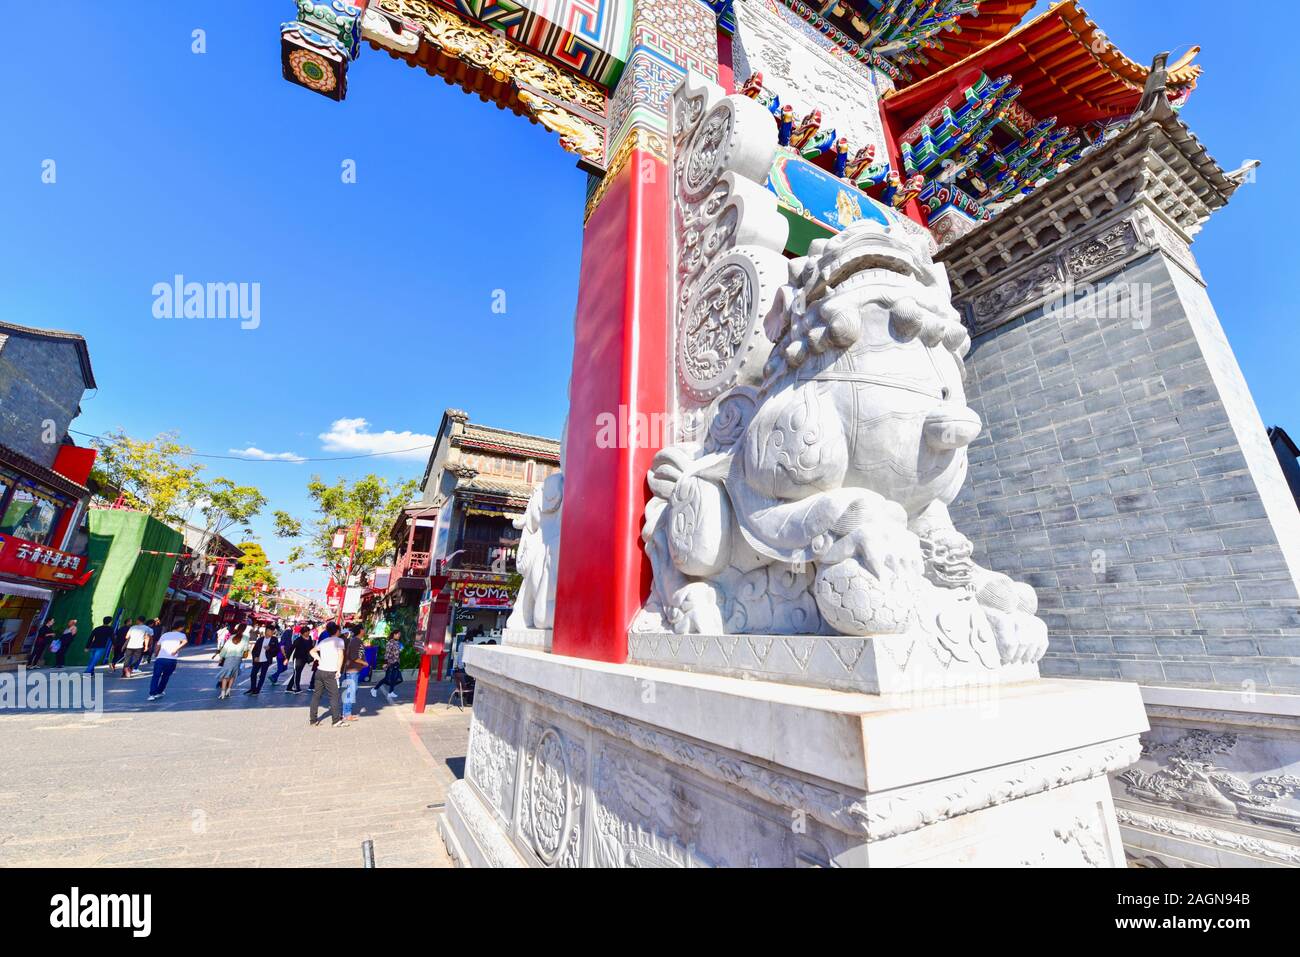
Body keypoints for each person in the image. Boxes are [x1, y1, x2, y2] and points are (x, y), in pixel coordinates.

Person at [309, 622, 346, 727]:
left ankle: (313, 720)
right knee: (334, 696)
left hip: (320, 671)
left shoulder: (324, 641)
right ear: (337, 631)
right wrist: (338, 670)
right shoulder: (339, 641)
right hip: (330, 672)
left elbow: (312, 651)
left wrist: (319, 659)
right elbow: (341, 656)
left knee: (316, 696)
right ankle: (336, 720)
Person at [148, 622, 189, 701]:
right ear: (180, 627)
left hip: (160, 658)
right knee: (165, 676)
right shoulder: (181, 635)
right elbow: (185, 641)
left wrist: (156, 654)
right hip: (171, 659)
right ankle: (159, 692)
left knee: (155, 676)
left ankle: (152, 694)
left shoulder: (165, 635)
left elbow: (158, 645)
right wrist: (176, 649)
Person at [339, 627, 368, 722]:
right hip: (352, 670)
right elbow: (354, 657)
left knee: (351, 691)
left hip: (354, 670)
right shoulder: (355, 641)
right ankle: (347, 714)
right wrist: (364, 663)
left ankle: (346, 713)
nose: (364, 630)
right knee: (350, 691)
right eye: (363, 629)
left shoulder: (357, 641)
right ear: (360, 631)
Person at [370, 629, 404, 702]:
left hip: (396, 663)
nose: (399, 636)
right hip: (390, 663)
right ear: (394, 634)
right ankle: (374, 689)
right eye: (398, 634)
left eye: (399, 634)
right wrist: (385, 663)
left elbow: (396, 653)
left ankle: (391, 692)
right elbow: (387, 653)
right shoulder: (390, 642)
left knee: (397, 679)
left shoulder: (397, 642)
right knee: (387, 678)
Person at [245, 626, 278, 695]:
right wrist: (255, 657)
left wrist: (270, 649)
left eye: (272, 631)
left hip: (266, 660)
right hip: (258, 660)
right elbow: (254, 650)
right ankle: (252, 688)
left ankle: (258, 689)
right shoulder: (260, 639)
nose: (271, 633)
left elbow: (276, 651)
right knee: (253, 674)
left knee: (262, 675)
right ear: (266, 631)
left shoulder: (274, 640)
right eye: (270, 631)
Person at [214, 630, 245, 699]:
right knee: (233, 675)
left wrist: (221, 657)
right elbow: (246, 649)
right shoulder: (244, 639)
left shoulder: (231, 638)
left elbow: (225, 649)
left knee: (225, 676)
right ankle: (228, 690)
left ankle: (222, 693)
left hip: (229, 658)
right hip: (238, 659)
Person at [285, 625, 314, 694]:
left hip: (304, 659)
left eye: (308, 631)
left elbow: (311, 648)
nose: (308, 633)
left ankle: (289, 688)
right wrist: (287, 659)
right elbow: (291, 649)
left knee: (297, 673)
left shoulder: (309, 639)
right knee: (297, 673)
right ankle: (296, 688)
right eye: (307, 632)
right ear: (303, 633)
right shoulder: (298, 640)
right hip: (297, 658)